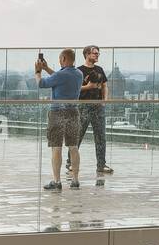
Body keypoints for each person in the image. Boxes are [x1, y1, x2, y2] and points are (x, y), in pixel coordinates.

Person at [36, 49, 83, 191]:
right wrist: (47, 68)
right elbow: (60, 77)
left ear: (63, 58)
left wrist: (38, 71)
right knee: (73, 147)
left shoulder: (61, 75)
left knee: (56, 147)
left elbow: (42, 84)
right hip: (73, 112)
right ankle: (75, 180)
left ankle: (57, 181)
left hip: (57, 112)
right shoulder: (79, 74)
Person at [66, 45, 113, 177]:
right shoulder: (78, 71)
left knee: (100, 137)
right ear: (87, 54)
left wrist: (104, 101)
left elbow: (104, 85)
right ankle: (70, 162)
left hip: (98, 106)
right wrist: (89, 86)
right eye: (95, 53)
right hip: (83, 106)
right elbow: (73, 89)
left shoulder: (100, 70)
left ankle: (101, 165)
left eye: (98, 54)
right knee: (77, 135)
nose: (97, 55)